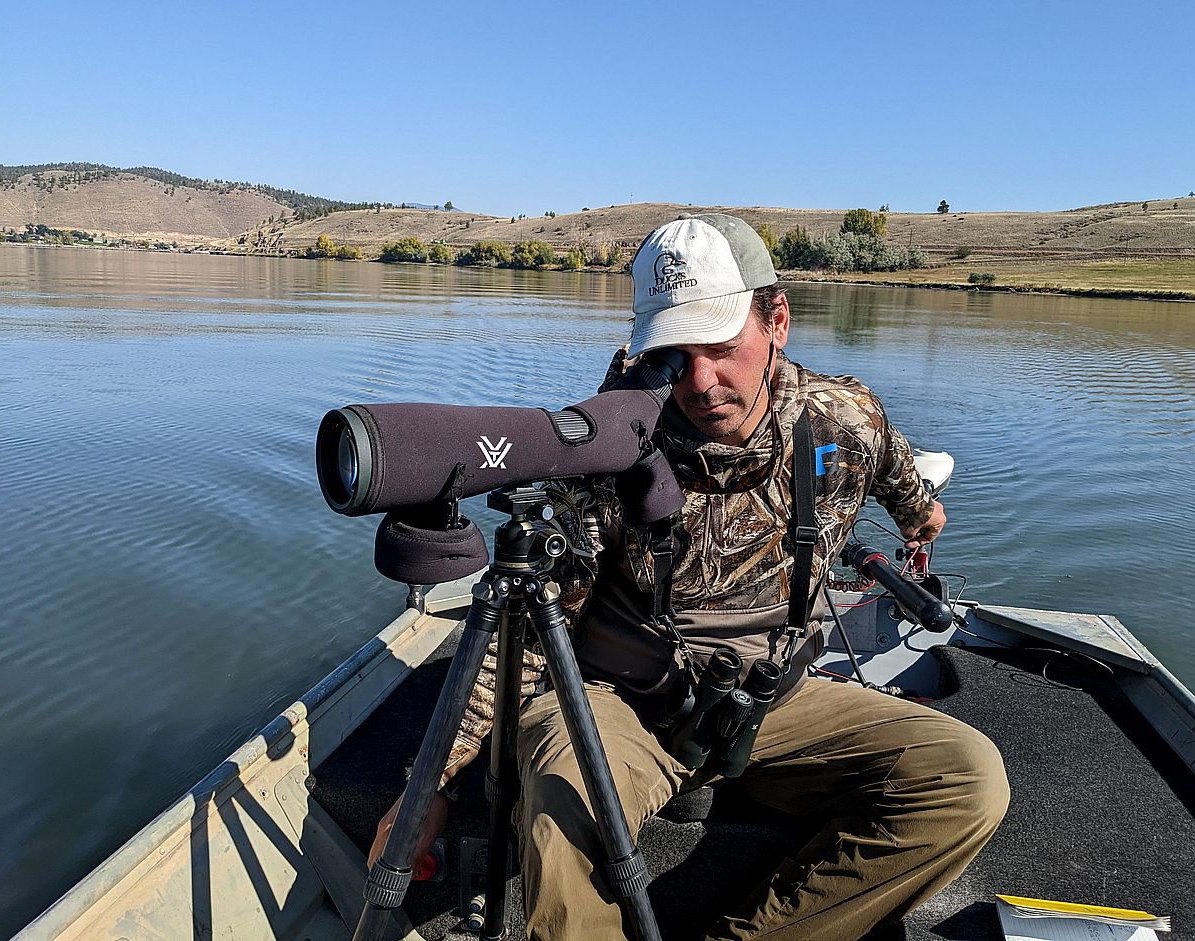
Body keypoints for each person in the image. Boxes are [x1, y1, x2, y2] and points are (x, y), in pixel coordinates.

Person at [371, 213, 1009, 940]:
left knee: (966, 779)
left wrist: (921, 516)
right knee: (555, 797)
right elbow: (522, 632)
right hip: (621, 706)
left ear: (778, 322)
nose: (702, 382)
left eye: (721, 346)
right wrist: (434, 780)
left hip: (772, 702)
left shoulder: (844, 421)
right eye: (677, 356)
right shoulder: (610, 453)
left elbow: (898, 475)